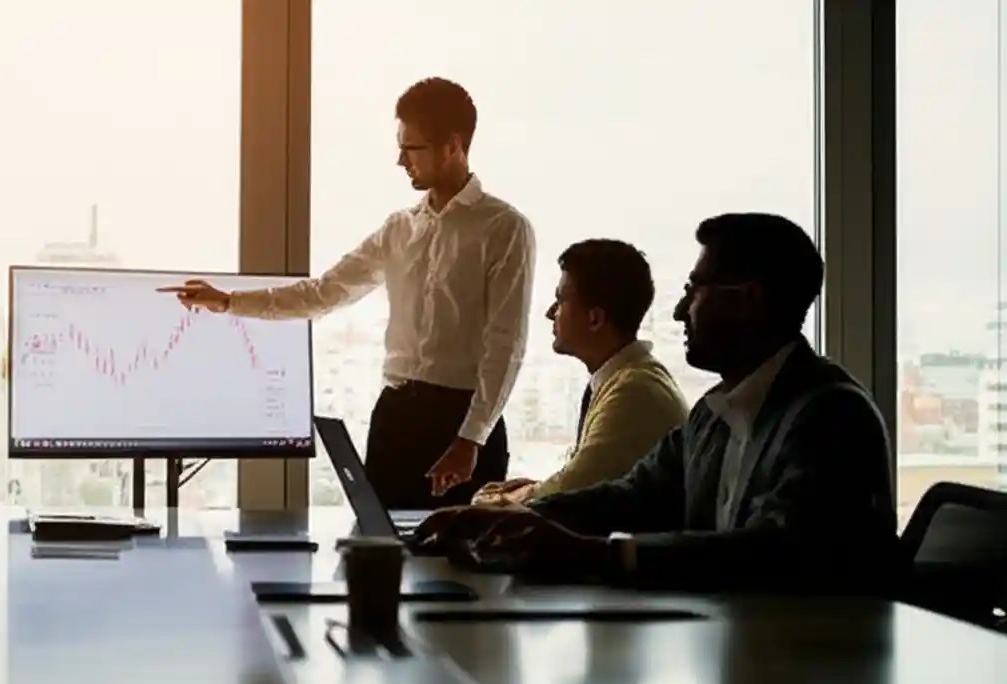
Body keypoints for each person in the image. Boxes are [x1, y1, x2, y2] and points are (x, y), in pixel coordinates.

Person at [412, 212, 899, 592]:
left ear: (747, 299)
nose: (679, 310)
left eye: (695, 289)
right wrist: (514, 518)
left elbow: (777, 553)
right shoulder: (715, 413)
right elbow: (632, 494)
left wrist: (598, 555)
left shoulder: (831, 416)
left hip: (819, 674)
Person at [159, 77, 535, 509]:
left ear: (452, 145)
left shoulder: (504, 228)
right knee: (377, 554)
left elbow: (506, 343)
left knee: (461, 565)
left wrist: (472, 438)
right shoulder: (400, 228)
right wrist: (228, 302)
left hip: (464, 421)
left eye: (411, 148)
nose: (400, 160)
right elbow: (324, 292)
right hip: (395, 418)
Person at [472, 239, 688, 506]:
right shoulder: (628, 377)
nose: (551, 313)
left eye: (561, 300)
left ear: (595, 319)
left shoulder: (633, 392)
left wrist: (497, 501)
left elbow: (570, 491)